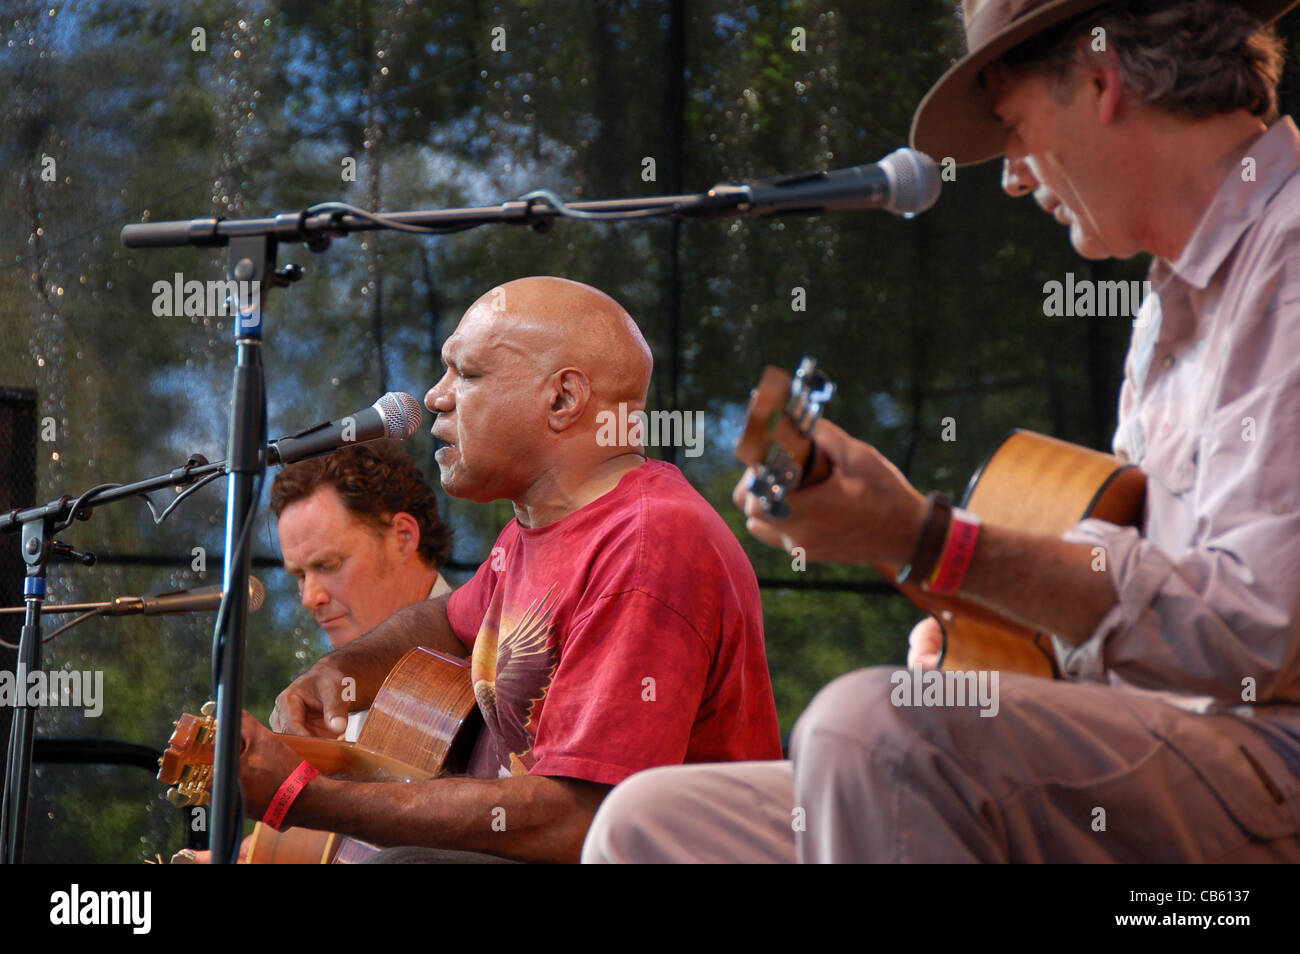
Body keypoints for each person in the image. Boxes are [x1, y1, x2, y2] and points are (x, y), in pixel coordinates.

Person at [582, 0, 1300, 863]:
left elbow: (1256, 632)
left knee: (872, 732)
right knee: (651, 823)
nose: (1012, 178)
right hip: (1169, 742)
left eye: (1012, 127)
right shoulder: (1168, 302)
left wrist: (931, 542)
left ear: (1104, 82)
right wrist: (990, 640)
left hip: (1271, 757)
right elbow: (1157, 599)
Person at [233, 276, 782, 864]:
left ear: (563, 399)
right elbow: (449, 619)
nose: (435, 398)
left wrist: (305, 797)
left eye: (465, 375)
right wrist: (340, 671)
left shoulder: (648, 545)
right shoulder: (534, 529)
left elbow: (578, 822)